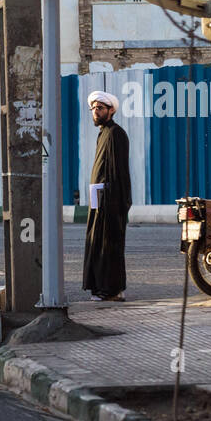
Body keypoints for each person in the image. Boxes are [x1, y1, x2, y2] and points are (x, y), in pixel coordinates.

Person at [82, 90, 132, 302]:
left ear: (111, 110)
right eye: (93, 108)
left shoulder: (115, 133)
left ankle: (111, 291)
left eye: (100, 108)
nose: (95, 112)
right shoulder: (103, 133)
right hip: (100, 200)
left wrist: (113, 201)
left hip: (109, 201)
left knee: (108, 245)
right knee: (97, 243)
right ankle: (100, 288)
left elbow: (118, 172)